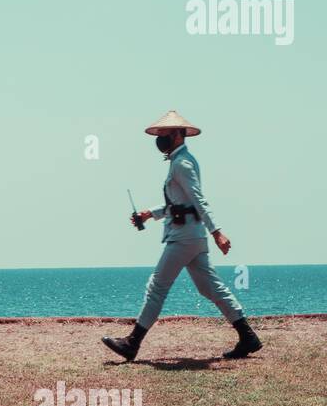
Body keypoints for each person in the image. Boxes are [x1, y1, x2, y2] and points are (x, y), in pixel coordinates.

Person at [102, 110, 262, 362]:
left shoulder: (182, 164)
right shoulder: (184, 160)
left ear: (178, 135)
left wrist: (218, 232)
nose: (161, 138)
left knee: (157, 288)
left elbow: (199, 200)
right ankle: (247, 336)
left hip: (183, 238)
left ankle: (132, 343)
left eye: (165, 133)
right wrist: (149, 215)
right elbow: (182, 204)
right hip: (193, 237)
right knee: (210, 288)